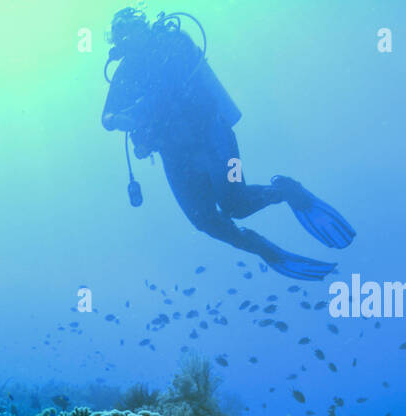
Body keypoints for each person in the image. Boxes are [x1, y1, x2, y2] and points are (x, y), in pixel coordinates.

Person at [101, 8, 355, 281]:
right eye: (121, 36)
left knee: (237, 203)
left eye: (131, 31)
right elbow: (106, 116)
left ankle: (287, 190)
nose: (127, 39)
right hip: (175, 156)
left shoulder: (172, 42)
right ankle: (259, 247)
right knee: (204, 221)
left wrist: (135, 113)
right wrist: (116, 119)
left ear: (143, 27)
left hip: (214, 138)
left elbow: (167, 89)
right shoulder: (125, 72)